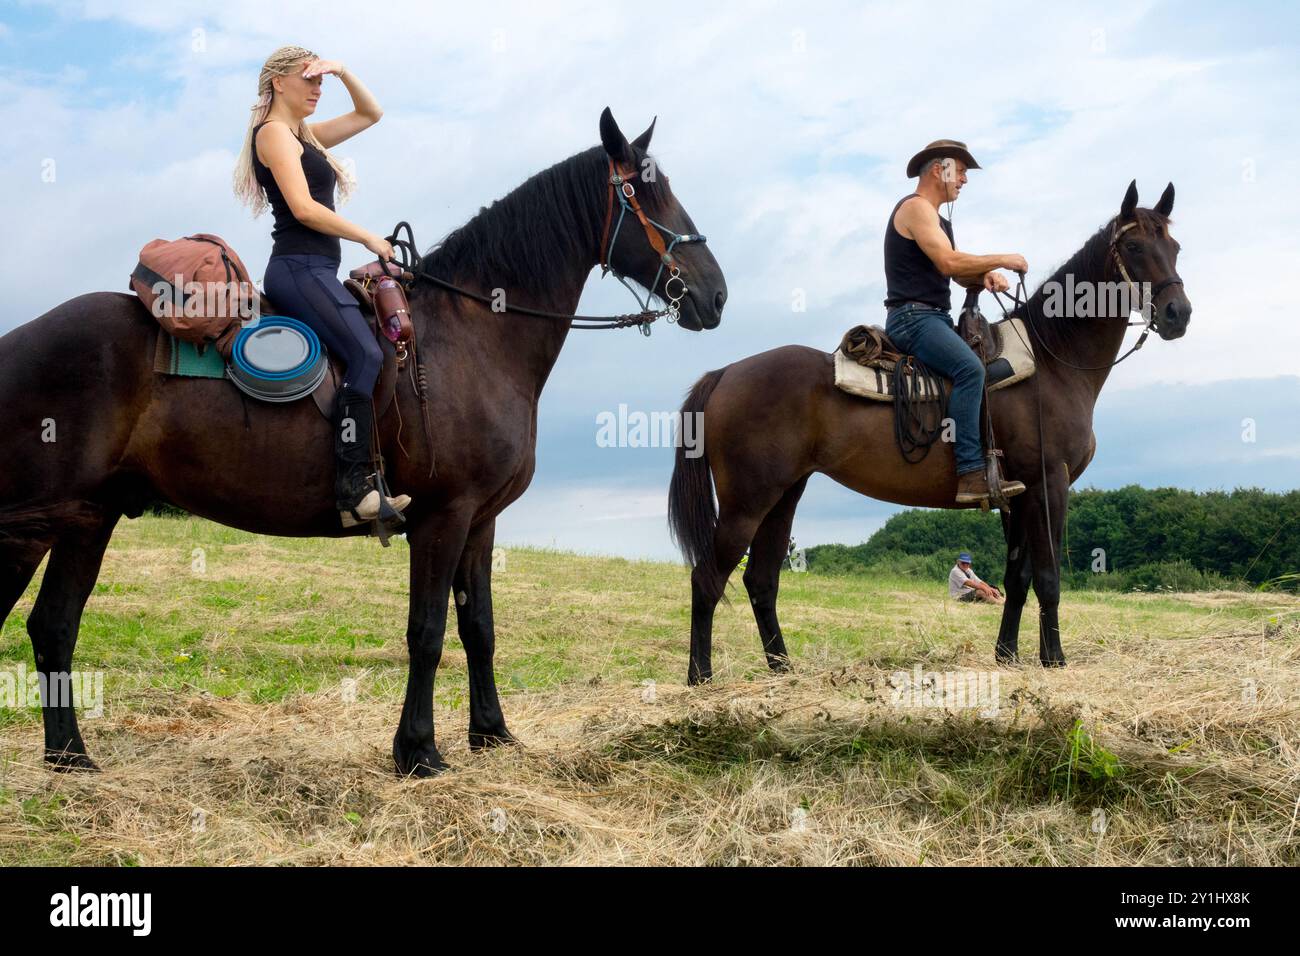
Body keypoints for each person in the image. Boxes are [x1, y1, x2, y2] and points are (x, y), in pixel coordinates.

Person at [233, 45, 411, 529]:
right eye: (308, 79)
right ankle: (354, 490)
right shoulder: (273, 135)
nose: (317, 89)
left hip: (318, 270)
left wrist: (344, 69)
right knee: (367, 355)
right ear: (278, 84)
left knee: (370, 349)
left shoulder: (304, 135)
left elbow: (371, 113)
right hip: (296, 270)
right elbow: (305, 209)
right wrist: (368, 236)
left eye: (321, 81)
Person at [883, 139, 1029, 505]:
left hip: (931, 317)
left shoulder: (937, 219)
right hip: (913, 319)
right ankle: (970, 474)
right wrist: (1004, 258)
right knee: (970, 370)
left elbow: (953, 269)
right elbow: (949, 263)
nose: (964, 179)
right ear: (939, 170)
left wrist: (983, 276)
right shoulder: (916, 208)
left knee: (981, 366)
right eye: (961, 171)